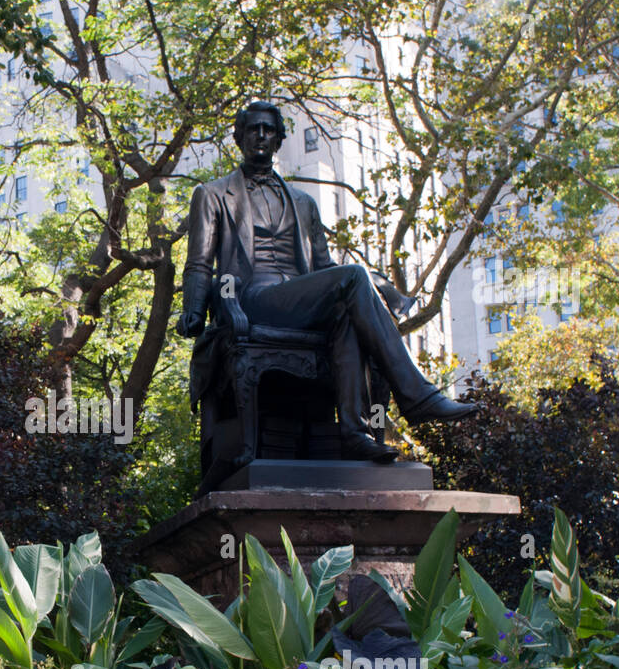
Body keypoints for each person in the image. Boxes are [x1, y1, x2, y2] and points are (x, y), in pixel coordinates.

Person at [179, 100, 478, 462]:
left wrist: (376, 288)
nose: (260, 135)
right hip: (253, 298)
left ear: (278, 140)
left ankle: (355, 432)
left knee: (349, 315)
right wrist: (193, 311)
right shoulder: (212, 194)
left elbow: (324, 267)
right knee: (354, 276)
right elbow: (199, 263)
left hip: (299, 301)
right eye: (253, 129)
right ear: (239, 137)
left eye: (268, 130)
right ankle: (419, 397)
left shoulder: (304, 203)